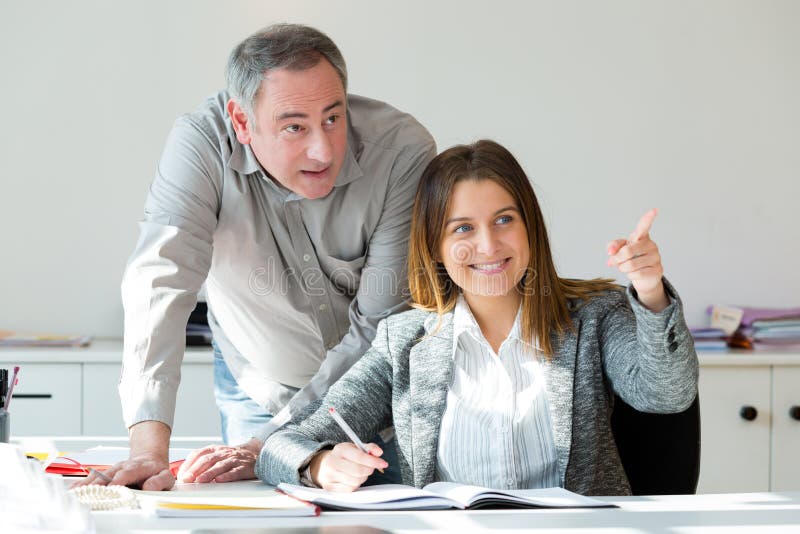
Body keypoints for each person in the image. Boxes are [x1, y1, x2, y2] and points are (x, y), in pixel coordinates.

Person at [77, 24, 435, 491]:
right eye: (294, 127)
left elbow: (379, 326)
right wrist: (148, 450)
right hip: (260, 387)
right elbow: (158, 283)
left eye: (333, 117)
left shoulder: (401, 152)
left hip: (376, 392)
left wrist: (269, 446)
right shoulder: (200, 145)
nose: (322, 149)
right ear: (242, 122)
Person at [258, 139, 698, 495]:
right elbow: (280, 445)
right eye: (463, 228)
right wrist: (318, 464)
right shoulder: (406, 341)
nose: (488, 246)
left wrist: (650, 288)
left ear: (530, 229)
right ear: (435, 245)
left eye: (504, 220)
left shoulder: (597, 315)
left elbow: (667, 395)